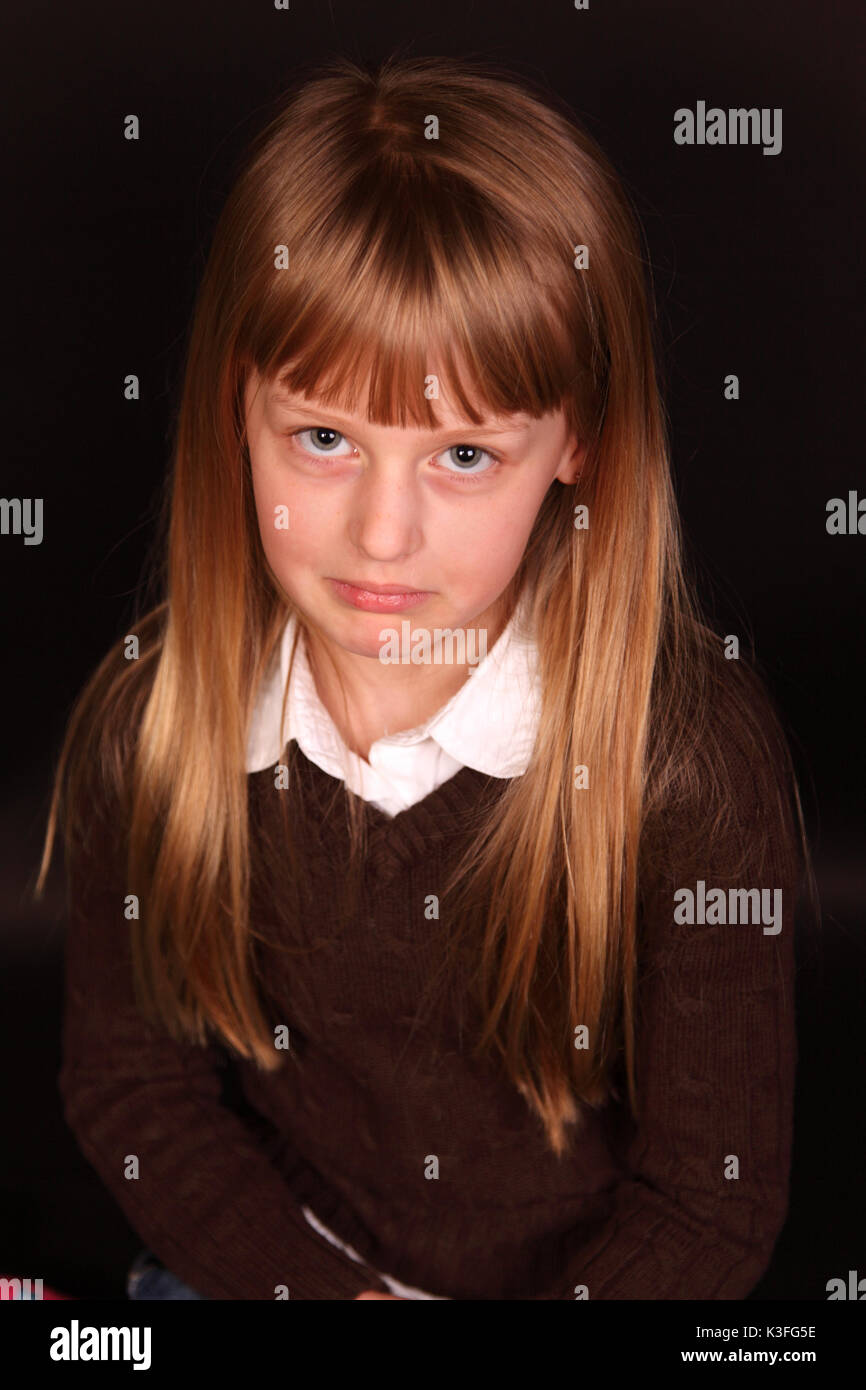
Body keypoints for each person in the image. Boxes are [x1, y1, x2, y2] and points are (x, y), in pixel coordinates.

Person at [36, 52, 816, 1301]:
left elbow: (709, 1200)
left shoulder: (682, 761)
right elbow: (134, 1090)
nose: (381, 536)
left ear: (578, 447)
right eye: (325, 438)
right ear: (235, 413)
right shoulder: (160, 722)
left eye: (462, 453)